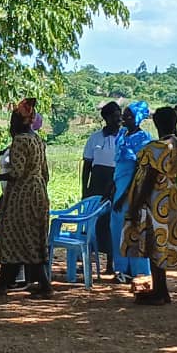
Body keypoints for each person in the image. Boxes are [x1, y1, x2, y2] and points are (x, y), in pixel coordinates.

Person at [121, 107, 177, 305]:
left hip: (154, 199)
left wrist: (136, 205)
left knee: (154, 243)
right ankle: (161, 289)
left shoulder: (156, 147)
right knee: (164, 241)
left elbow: (149, 179)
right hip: (171, 198)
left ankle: (160, 292)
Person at [0, 99, 52, 298]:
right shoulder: (39, 140)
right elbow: (45, 173)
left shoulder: (21, 140)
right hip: (38, 192)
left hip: (22, 194)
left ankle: (44, 284)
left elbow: (17, 172)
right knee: (27, 237)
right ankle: (4, 282)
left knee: (19, 237)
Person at [111, 101, 153, 283]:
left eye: (129, 115)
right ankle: (122, 269)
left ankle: (139, 271)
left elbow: (138, 169)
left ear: (137, 117)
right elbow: (118, 164)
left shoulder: (144, 138)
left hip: (132, 189)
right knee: (117, 229)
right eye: (124, 114)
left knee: (134, 228)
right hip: (118, 186)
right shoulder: (122, 134)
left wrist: (125, 195)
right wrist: (113, 189)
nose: (124, 117)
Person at [82, 102, 121, 273]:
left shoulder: (124, 137)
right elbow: (87, 166)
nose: (118, 118)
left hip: (116, 184)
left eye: (119, 114)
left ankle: (111, 265)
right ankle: (89, 262)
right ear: (105, 118)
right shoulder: (95, 138)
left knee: (113, 222)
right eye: (114, 115)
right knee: (95, 223)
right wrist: (85, 189)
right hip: (97, 183)